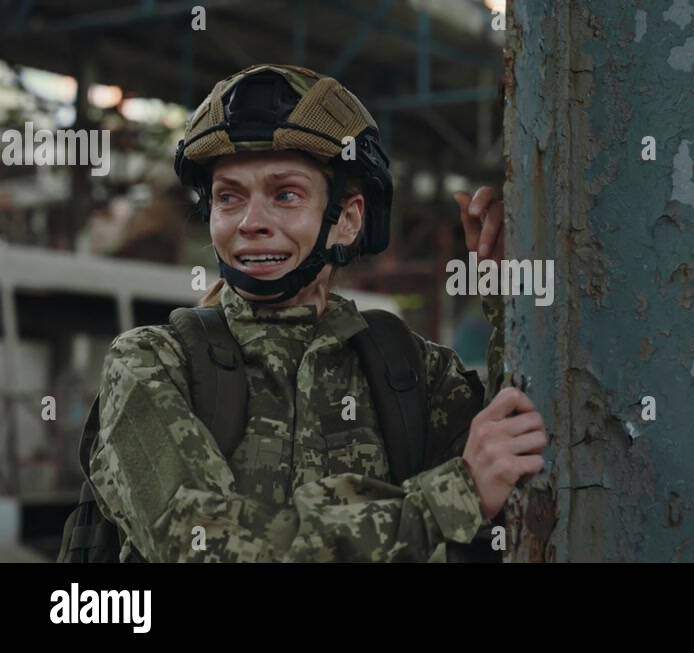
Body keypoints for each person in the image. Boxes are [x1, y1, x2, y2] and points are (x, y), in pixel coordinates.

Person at [86, 63, 547, 562]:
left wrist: (514, 302)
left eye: (286, 195)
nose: (251, 222)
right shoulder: (154, 364)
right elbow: (200, 546)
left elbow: (523, 474)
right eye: (228, 197)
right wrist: (447, 501)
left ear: (347, 220)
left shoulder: (414, 372)